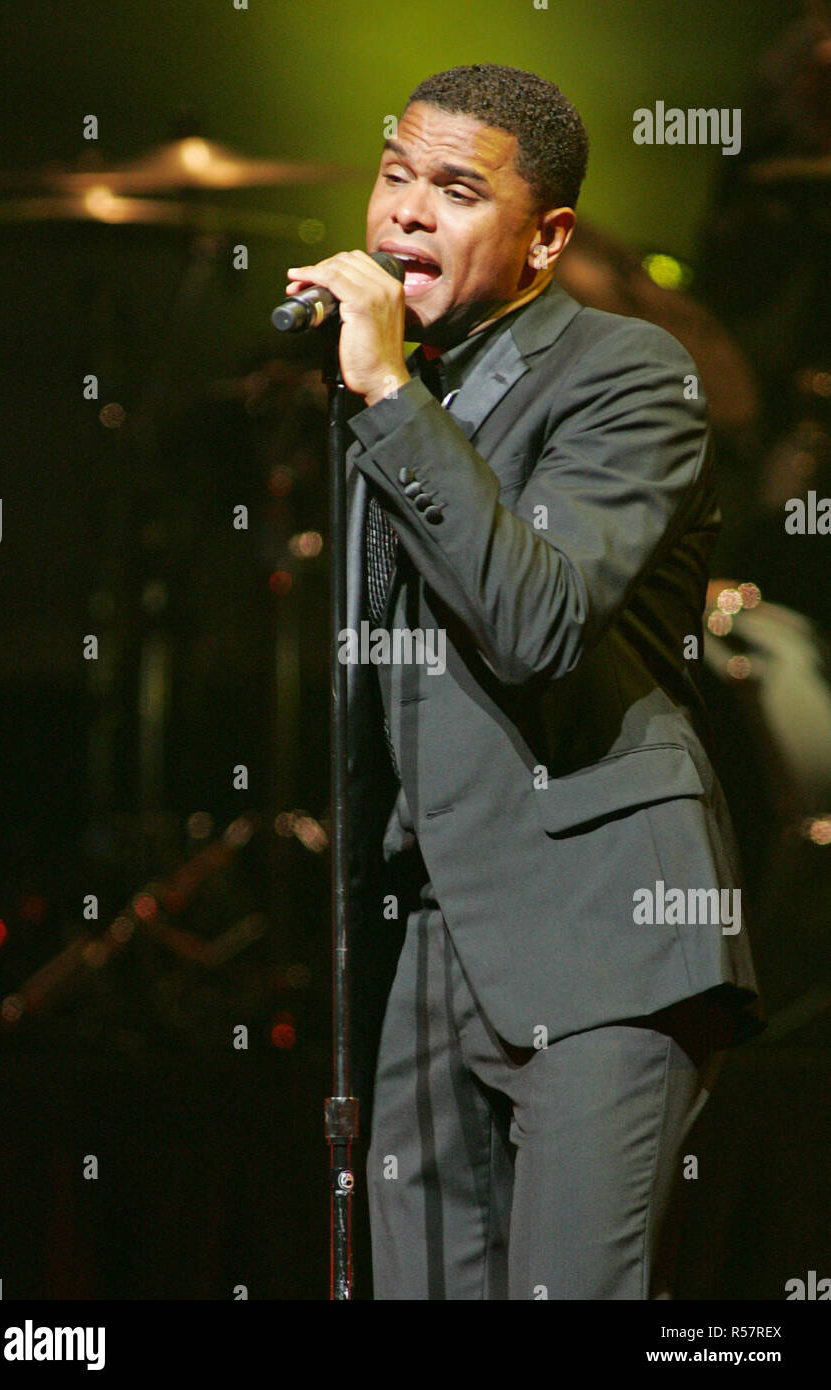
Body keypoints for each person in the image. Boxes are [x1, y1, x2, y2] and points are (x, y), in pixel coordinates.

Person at [285, 63, 764, 1301]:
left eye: (454, 190)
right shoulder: (392, 395)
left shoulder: (629, 373)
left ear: (547, 236)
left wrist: (389, 394)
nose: (404, 214)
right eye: (396, 177)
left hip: (607, 925)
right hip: (438, 937)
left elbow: (537, 620)